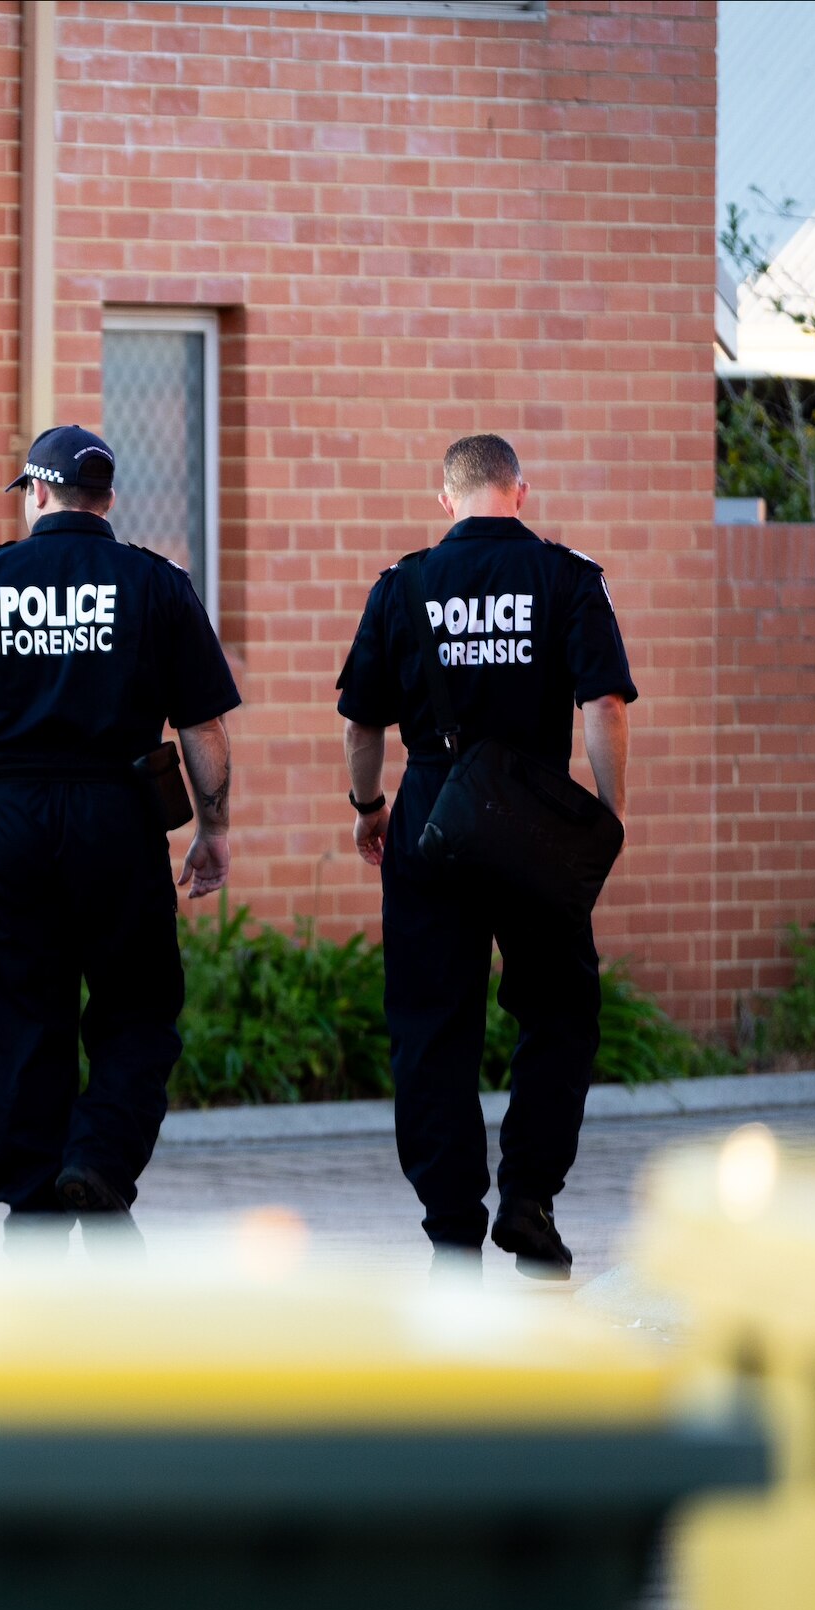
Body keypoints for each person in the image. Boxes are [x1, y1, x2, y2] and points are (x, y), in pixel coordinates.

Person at [0, 425, 239, 1236]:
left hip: (12, 818)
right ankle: (96, 1161)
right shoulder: (157, 584)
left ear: (37, 493)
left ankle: (33, 1202)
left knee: (23, 1014)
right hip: (117, 820)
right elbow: (203, 729)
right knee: (136, 1009)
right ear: (109, 498)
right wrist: (213, 829)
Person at [334, 434, 636, 1278]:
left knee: (431, 1028)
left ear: (446, 499)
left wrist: (368, 807)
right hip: (532, 818)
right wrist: (608, 814)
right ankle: (529, 1200)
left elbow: (360, 721)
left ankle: (450, 1232)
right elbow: (602, 703)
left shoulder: (402, 585)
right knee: (558, 1013)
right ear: (520, 491)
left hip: (430, 812)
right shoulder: (566, 576)